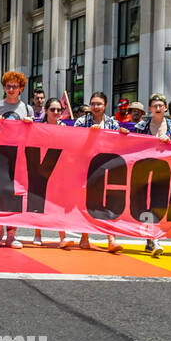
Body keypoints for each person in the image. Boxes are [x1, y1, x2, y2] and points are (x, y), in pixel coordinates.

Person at [71, 91, 128, 252]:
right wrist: (89, 135)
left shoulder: (112, 123)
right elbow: (73, 142)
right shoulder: (82, 121)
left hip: (107, 166)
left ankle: (111, 238)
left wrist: (124, 135)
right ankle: (84, 237)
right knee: (86, 202)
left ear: (105, 105)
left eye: (99, 104)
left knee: (108, 202)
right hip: (86, 166)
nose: (95, 107)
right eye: (93, 104)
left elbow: (118, 144)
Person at [131, 94, 171, 257]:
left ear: (165, 108)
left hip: (166, 171)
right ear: (149, 108)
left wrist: (170, 142)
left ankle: (152, 238)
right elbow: (132, 146)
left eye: (160, 105)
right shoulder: (141, 126)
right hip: (144, 170)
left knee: (160, 204)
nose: (157, 108)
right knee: (146, 205)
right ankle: (152, 239)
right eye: (154, 105)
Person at [0, 71, 33, 248]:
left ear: (21, 88)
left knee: (16, 195)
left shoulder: (27, 109)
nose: (11, 89)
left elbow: (35, 135)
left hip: (20, 156)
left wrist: (30, 124)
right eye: (8, 86)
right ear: (4, 88)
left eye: (15, 86)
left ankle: (12, 234)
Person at [29, 98, 71, 247]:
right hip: (40, 166)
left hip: (59, 168)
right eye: (52, 109)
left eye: (59, 110)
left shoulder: (65, 128)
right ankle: (37, 234)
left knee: (59, 203)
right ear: (46, 110)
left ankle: (63, 237)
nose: (56, 112)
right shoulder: (38, 126)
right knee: (39, 202)